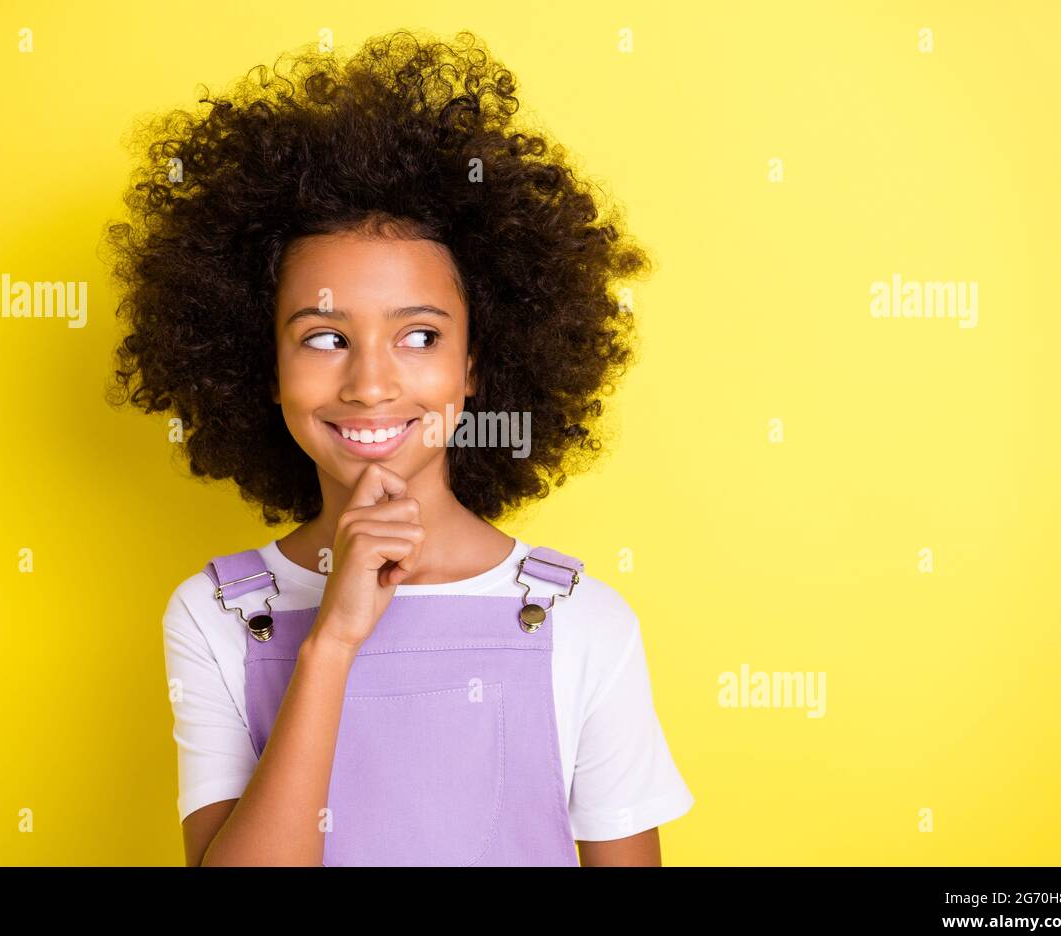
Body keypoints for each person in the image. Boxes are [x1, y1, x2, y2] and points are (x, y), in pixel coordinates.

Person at [105, 28, 692, 866]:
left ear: (475, 367)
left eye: (418, 337)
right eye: (322, 337)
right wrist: (333, 642)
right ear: (262, 368)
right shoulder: (219, 617)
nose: (371, 384)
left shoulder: (580, 621)